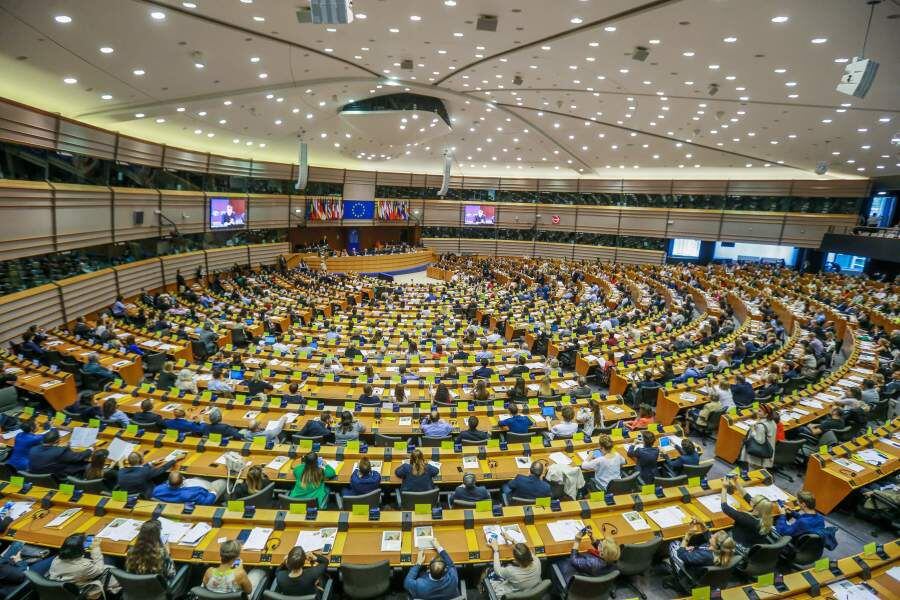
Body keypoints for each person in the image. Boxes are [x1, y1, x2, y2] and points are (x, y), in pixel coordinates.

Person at [47, 534, 120, 599]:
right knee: (110, 567)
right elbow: (100, 570)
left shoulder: (56, 559)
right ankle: (115, 592)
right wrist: (95, 548)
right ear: (80, 550)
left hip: (61, 588)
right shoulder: (84, 566)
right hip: (81, 590)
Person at [666, 526, 736, 593]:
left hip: (688, 575)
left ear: (716, 545)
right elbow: (709, 536)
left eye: (713, 536)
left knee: (674, 543)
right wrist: (702, 525)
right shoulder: (721, 552)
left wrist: (687, 536)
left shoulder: (705, 556)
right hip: (704, 575)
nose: (711, 535)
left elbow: (681, 554)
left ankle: (677, 576)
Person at [719, 477, 775, 553]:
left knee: (718, 533)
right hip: (751, 542)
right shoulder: (766, 514)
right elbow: (747, 497)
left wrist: (724, 487)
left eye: (752, 500)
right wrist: (735, 482)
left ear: (755, 508)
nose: (750, 499)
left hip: (740, 546)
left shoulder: (747, 519)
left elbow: (725, 507)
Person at [202, 540, 267, 597]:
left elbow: (204, 587)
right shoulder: (240, 574)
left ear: (220, 554)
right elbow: (248, 591)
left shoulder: (209, 572)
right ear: (237, 557)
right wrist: (239, 570)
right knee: (259, 570)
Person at [117, 451, 183, 498]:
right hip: (146, 496)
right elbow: (163, 468)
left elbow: (137, 469)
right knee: (168, 478)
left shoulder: (121, 471)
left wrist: (152, 463)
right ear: (142, 461)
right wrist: (175, 459)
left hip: (128, 496)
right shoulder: (146, 471)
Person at [152, 472, 225, 505]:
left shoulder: (157, 490)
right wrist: (213, 492)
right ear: (182, 480)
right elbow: (207, 502)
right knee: (222, 482)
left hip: (176, 504)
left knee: (196, 478)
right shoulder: (191, 494)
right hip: (208, 494)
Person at [740, 404, 776, 470]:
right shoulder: (772, 422)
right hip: (767, 451)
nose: (757, 412)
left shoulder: (761, 426)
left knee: (753, 472)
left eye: (759, 411)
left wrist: (753, 430)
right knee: (761, 471)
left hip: (757, 455)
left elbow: (759, 440)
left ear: (766, 414)